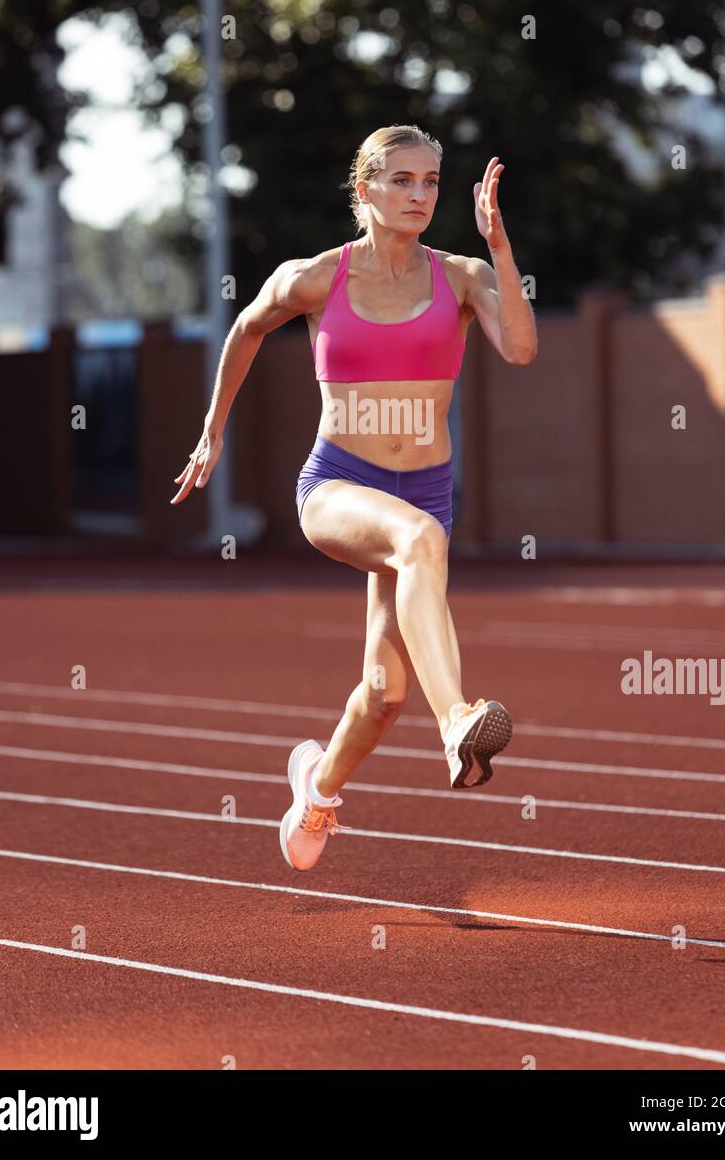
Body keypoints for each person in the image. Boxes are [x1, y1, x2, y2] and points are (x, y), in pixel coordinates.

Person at [171, 124, 538, 871]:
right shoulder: (316, 277)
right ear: (363, 188)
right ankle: (457, 722)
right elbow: (245, 328)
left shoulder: (462, 274)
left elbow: (522, 349)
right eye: (401, 180)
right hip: (340, 484)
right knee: (417, 543)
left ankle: (318, 791)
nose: (419, 195)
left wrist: (499, 246)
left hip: (424, 489)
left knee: (381, 690)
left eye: (430, 182)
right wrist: (212, 433)